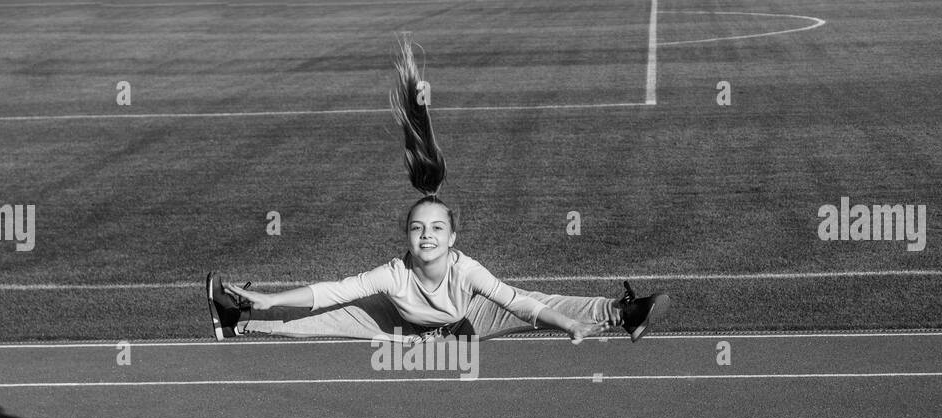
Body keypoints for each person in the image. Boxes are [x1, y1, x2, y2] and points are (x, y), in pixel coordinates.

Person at [207, 36, 669, 345]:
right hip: (400, 325)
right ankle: (239, 316)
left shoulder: (466, 271)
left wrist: (567, 323)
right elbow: (330, 291)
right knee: (330, 315)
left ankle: (622, 313)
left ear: (452, 238)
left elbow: (518, 302)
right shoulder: (394, 274)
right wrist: (271, 297)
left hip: (466, 321)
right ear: (406, 236)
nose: (426, 235)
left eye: (436, 229)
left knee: (537, 302)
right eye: (417, 228)